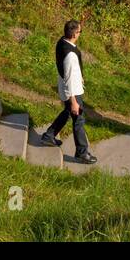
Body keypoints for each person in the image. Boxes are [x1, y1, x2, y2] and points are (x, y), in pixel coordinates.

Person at [39, 19, 97, 163]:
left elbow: (69, 72)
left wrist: (80, 76)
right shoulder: (70, 55)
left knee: (67, 112)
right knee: (79, 120)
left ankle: (49, 135)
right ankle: (82, 152)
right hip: (73, 92)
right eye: (80, 31)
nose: (80, 34)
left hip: (65, 87)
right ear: (75, 34)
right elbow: (70, 79)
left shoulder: (62, 42)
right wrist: (74, 102)